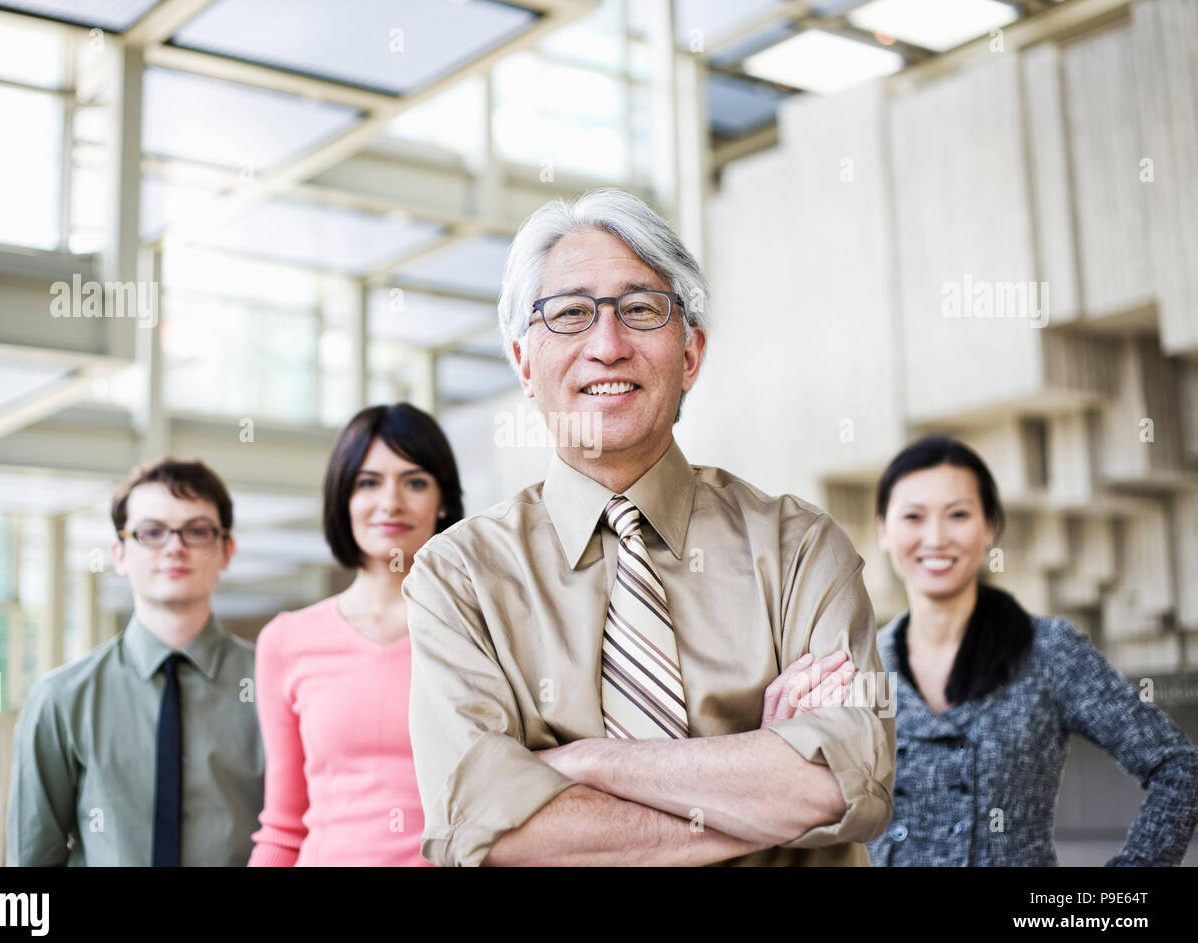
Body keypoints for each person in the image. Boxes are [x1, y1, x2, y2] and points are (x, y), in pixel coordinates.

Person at [402, 187, 894, 867]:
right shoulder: (457, 576)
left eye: (640, 310)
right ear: (523, 363)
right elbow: (487, 826)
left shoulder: (800, 548)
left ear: (689, 354)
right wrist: (751, 788)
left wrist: (589, 763)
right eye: (571, 313)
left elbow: (841, 782)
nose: (607, 346)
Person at [866, 435, 1198, 866]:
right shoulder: (862, 664)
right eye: (913, 516)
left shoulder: (1048, 651)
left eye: (958, 515)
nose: (936, 537)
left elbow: (1178, 767)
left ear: (989, 527)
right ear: (883, 530)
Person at [7, 458, 263, 866]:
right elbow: (35, 859)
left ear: (226, 550)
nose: (174, 547)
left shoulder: (276, 684)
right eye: (151, 532)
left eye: (197, 531)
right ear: (120, 554)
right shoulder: (60, 699)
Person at [249, 403, 463, 866]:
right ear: (343, 498)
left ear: (442, 501)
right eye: (369, 482)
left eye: (415, 482)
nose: (391, 502)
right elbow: (283, 826)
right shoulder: (286, 641)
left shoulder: (478, 630)